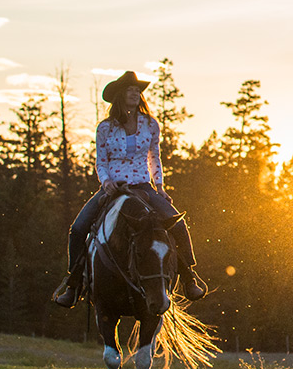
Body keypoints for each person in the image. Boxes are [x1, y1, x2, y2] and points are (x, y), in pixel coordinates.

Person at [52, 71, 207, 307]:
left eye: (137, 90)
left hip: (143, 186)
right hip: (112, 187)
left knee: (177, 224)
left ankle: (189, 278)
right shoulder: (105, 128)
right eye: (129, 90)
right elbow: (101, 161)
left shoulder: (150, 124)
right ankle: (74, 284)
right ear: (119, 96)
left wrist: (160, 187)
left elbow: (154, 157)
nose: (135, 93)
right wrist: (106, 182)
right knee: (78, 228)